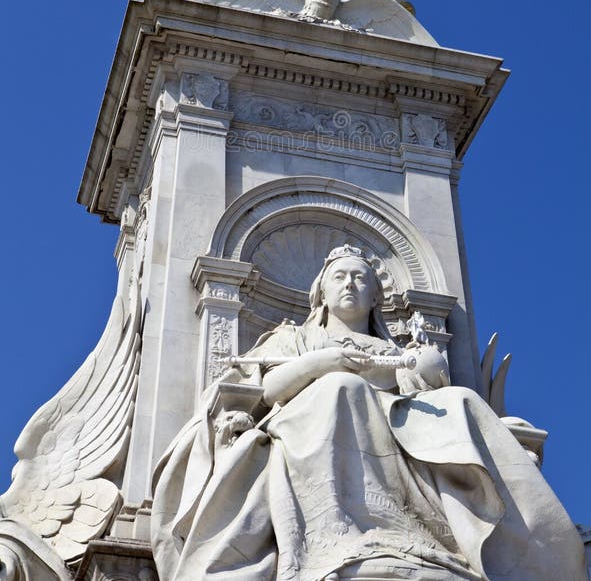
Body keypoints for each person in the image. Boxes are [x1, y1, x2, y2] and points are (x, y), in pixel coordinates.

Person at [151, 245, 587, 581]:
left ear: (376, 296)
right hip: (309, 418)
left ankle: (482, 541)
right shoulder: (296, 339)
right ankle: (338, 534)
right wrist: (322, 364)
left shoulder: (393, 350)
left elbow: (422, 396)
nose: (349, 285)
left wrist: (427, 372)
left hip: (395, 427)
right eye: (339, 277)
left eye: (360, 278)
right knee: (344, 387)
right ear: (321, 292)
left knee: (461, 401)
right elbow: (266, 390)